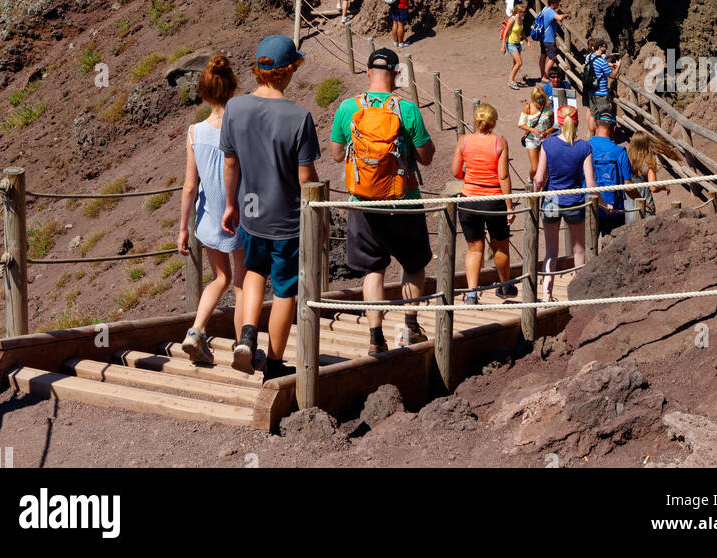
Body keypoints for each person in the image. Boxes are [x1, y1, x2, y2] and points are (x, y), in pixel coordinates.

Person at [221, 35, 320, 378]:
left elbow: (230, 164)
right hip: (288, 221)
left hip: (249, 215)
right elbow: (306, 177)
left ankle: (246, 336)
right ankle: (274, 367)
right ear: (290, 70)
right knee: (285, 290)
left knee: (253, 273)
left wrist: (230, 205)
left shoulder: (234, 108)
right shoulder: (299, 117)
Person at [330, 48, 435, 355]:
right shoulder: (407, 109)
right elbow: (426, 158)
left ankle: (376, 338)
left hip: (363, 201)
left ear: (367, 73)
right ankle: (409, 328)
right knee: (414, 265)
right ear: (396, 75)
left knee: (373, 270)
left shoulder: (348, 108)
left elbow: (337, 154)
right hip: (403, 200)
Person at [178, 54, 246, 364]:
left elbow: (190, 186)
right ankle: (242, 347)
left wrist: (182, 227)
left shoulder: (194, 132)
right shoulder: (241, 129)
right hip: (239, 215)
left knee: (219, 278)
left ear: (204, 94)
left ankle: (195, 331)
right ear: (233, 89)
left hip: (207, 219)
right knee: (242, 283)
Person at [533, 104, 610, 301]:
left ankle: (546, 295)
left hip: (551, 200)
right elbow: (591, 184)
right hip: (574, 201)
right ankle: (578, 295)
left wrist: (534, 197)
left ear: (559, 122)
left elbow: (539, 178)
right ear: (576, 122)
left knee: (551, 251)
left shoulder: (548, 144)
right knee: (579, 250)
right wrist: (603, 203)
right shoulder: (584, 147)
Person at [451, 104, 517, 303]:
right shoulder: (500, 142)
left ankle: (472, 292)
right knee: (500, 246)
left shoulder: (464, 140)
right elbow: (503, 176)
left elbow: (455, 172)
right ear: (493, 122)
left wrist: (467, 176)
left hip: (469, 198)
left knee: (474, 248)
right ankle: (505, 286)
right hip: (493, 200)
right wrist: (509, 207)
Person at [589, 109, 635, 239]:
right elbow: (629, 187)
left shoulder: (585, 148)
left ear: (595, 125)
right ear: (614, 128)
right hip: (614, 209)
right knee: (613, 253)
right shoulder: (620, 151)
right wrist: (640, 201)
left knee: (586, 250)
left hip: (589, 206)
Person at [624, 131, 673, 221]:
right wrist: (664, 187)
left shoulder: (624, 161)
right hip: (646, 209)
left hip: (628, 211)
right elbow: (653, 188)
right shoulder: (648, 163)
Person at [518, 84, 555, 179]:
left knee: (545, 168)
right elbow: (521, 124)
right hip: (531, 139)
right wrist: (532, 129)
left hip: (545, 139)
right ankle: (530, 180)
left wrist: (546, 132)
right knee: (535, 168)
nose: (539, 101)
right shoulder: (528, 107)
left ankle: (542, 190)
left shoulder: (549, 109)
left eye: (541, 99)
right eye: (536, 99)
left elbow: (555, 125)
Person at [530, 0, 569, 84]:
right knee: (553, 58)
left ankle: (542, 75)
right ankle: (544, 77)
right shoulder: (551, 12)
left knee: (543, 55)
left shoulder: (545, 9)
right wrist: (565, 15)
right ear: (554, 3)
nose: (558, 5)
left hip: (543, 37)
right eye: (557, 3)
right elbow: (559, 18)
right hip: (549, 39)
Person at [501, 0, 529, 89]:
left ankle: (512, 79)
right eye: (523, 12)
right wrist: (503, 46)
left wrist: (527, 41)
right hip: (511, 44)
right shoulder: (512, 20)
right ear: (518, 12)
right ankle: (511, 81)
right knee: (519, 63)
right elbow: (505, 33)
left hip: (518, 44)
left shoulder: (521, 19)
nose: (525, 13)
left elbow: (522, 31)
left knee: (515, 64)